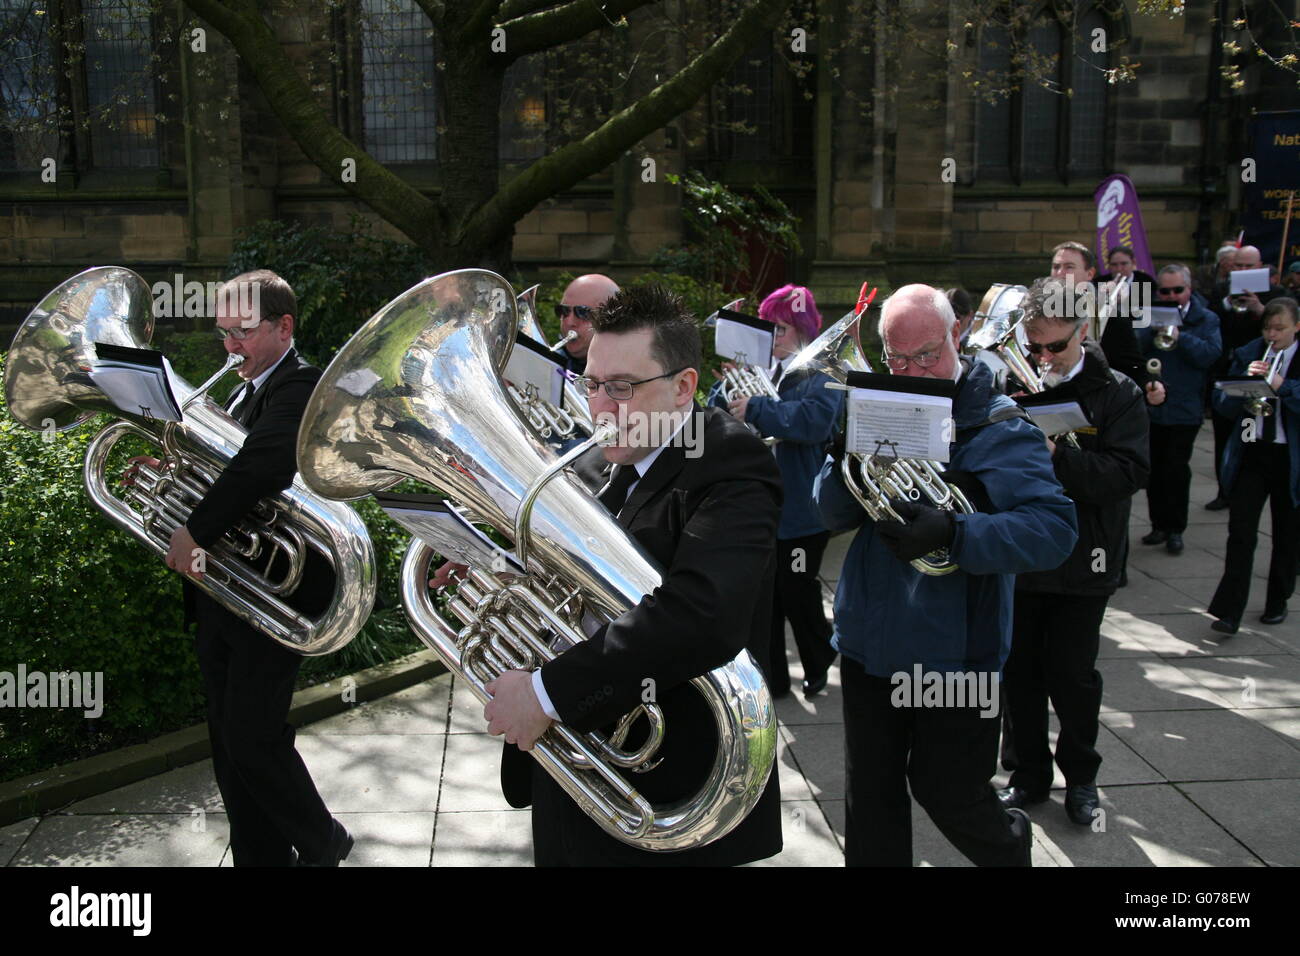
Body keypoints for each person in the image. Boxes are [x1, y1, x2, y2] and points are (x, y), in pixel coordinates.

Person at [482, 283, 785, 866]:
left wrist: (546, 693)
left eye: (621, 389)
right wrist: (486, 553)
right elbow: (559, 562)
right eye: (592, 384)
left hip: (671, 785)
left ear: (683, 387)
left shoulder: (730, 461)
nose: (600, 407)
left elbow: (702, 615)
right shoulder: (594, 458)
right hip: (574, 762)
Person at [813, 284, 1078, 867]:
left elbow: (1054, 530)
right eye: (898, 360)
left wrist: (956, 533)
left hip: (959, 652)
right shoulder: (880, 404)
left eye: (928, 355)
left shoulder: (1000, 426)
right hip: (869, 641)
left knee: (949, 792)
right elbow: (828, 513)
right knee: (870, 797)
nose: (913, 372)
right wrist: (839, 454)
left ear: (956, 336)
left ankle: (1011, 848)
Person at [139, 270, 350, 866]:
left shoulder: (301, 385)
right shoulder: (235, 391)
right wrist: (165, 478)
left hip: (274, 595)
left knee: (253, 737)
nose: (230, 346)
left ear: (284, 327)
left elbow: (263, 462)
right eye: (223, 333)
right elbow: (217, 474)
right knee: (228, 744)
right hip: (223, 589)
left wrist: (195, 528)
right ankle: (259, 857)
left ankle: (321, 840)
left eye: (243, 332)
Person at [997, 278, 1149, 827]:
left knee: (1072, 676)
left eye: (1054, 346)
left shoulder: (1119, 392)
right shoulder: (1013, 379)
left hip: (1087, 557)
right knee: (1018, 673)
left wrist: (1057, 455)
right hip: (1023, 551)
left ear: (1083, 333)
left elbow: (1126, 473)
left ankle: (1082, 780)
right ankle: (1026, 774)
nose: (1041, 357)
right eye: (1033, 344)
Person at [719, 284, 843, 700]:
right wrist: (728, 392)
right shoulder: (762, 370)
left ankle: (819, 658)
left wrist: (756, 408)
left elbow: (814, 424)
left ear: (804, 329)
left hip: (805, 507)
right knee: (765, 597)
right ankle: (772, 677)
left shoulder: (820, 371)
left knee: (798, 591)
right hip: (762, 502)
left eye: (784, 327)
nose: (775, 335)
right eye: (770, 326)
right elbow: (719, 415)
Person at [1207, 297, 1300, 634]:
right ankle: (1229, 610)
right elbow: (1220, 404)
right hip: (1253, 453)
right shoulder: (1249, 352)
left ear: (1296, 327)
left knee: (1287, 535)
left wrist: (1282, 387)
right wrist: (1243, 385)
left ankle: (1278, 600)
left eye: (1280, 329)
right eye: (1268, 328)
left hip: (1290, 458)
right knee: (1241, 533)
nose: (1272, 335)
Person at [1135, 264, 1222, 555]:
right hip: (1153, 405)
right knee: (1154, 469)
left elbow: (1210, 355)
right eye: (1165, 291)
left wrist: (1180, 335)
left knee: (1176, 469)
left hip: (1185, 406)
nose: (1171, 296)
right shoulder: (1149, 314)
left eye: (1177, 290)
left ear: (1189, 289)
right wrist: (1152, 331)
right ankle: (1158, 524)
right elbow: (1134, 351)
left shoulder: (1205, 318)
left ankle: (1176, 529)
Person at [1206, 245, 1287, 510]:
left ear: (1260, 266)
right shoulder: (1221, 291)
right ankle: (1224, 489)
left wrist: (1259, 308)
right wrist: (1226, 305)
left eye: (1247, 266)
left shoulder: (1276, 294)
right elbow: (1210, 321)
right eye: (1237, 266)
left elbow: (1282, 327)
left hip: (1262, 369)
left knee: (1251, 435)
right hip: (1227, 369)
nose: (1241, 271)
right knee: (1223, 433)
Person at [1050, 240, 1148, 388]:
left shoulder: (1113, 319)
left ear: (1089, 274)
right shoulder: (1038, 312)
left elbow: (1135, 369)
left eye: (1069, 267)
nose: (1060, 273)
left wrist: (1154, 385)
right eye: (1056, 267)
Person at [552, 274, 620, 376]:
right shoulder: (554, 362)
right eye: (564, 310)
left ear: (612, 318)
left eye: (582, 312)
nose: (569, 322)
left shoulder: (631, 370)